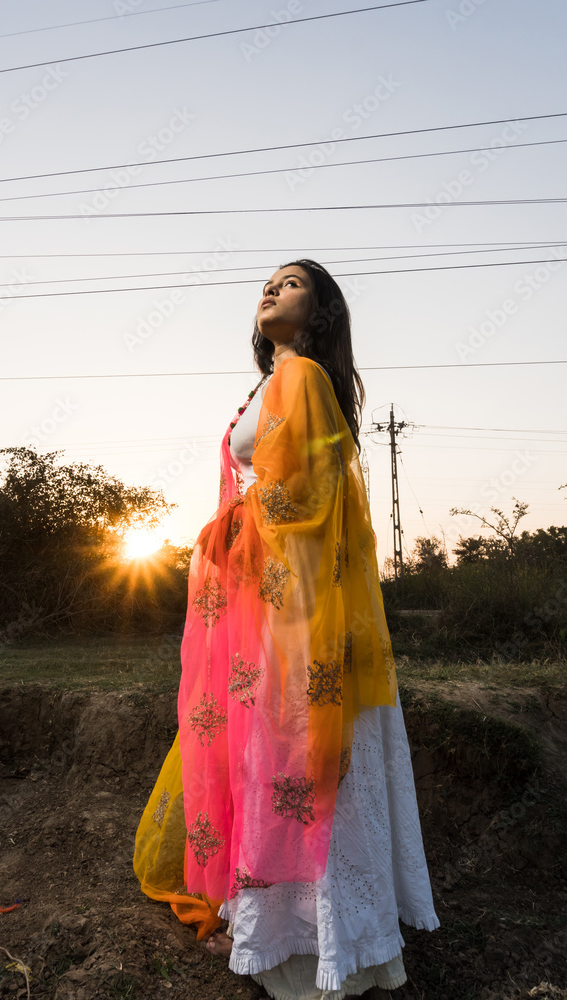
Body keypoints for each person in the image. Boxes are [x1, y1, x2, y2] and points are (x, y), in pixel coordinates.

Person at [134, 259, 439, 999]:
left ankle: (316, 946)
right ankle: (301, 931)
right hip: (269, 601)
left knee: (294, 756)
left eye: (292, 282)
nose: (272, 289)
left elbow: (305, 496)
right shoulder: (272, 384)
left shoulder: (300, 376)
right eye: (267, 282)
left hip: (294, 608)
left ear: (321, 311)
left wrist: (229, 525)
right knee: (281, 758)